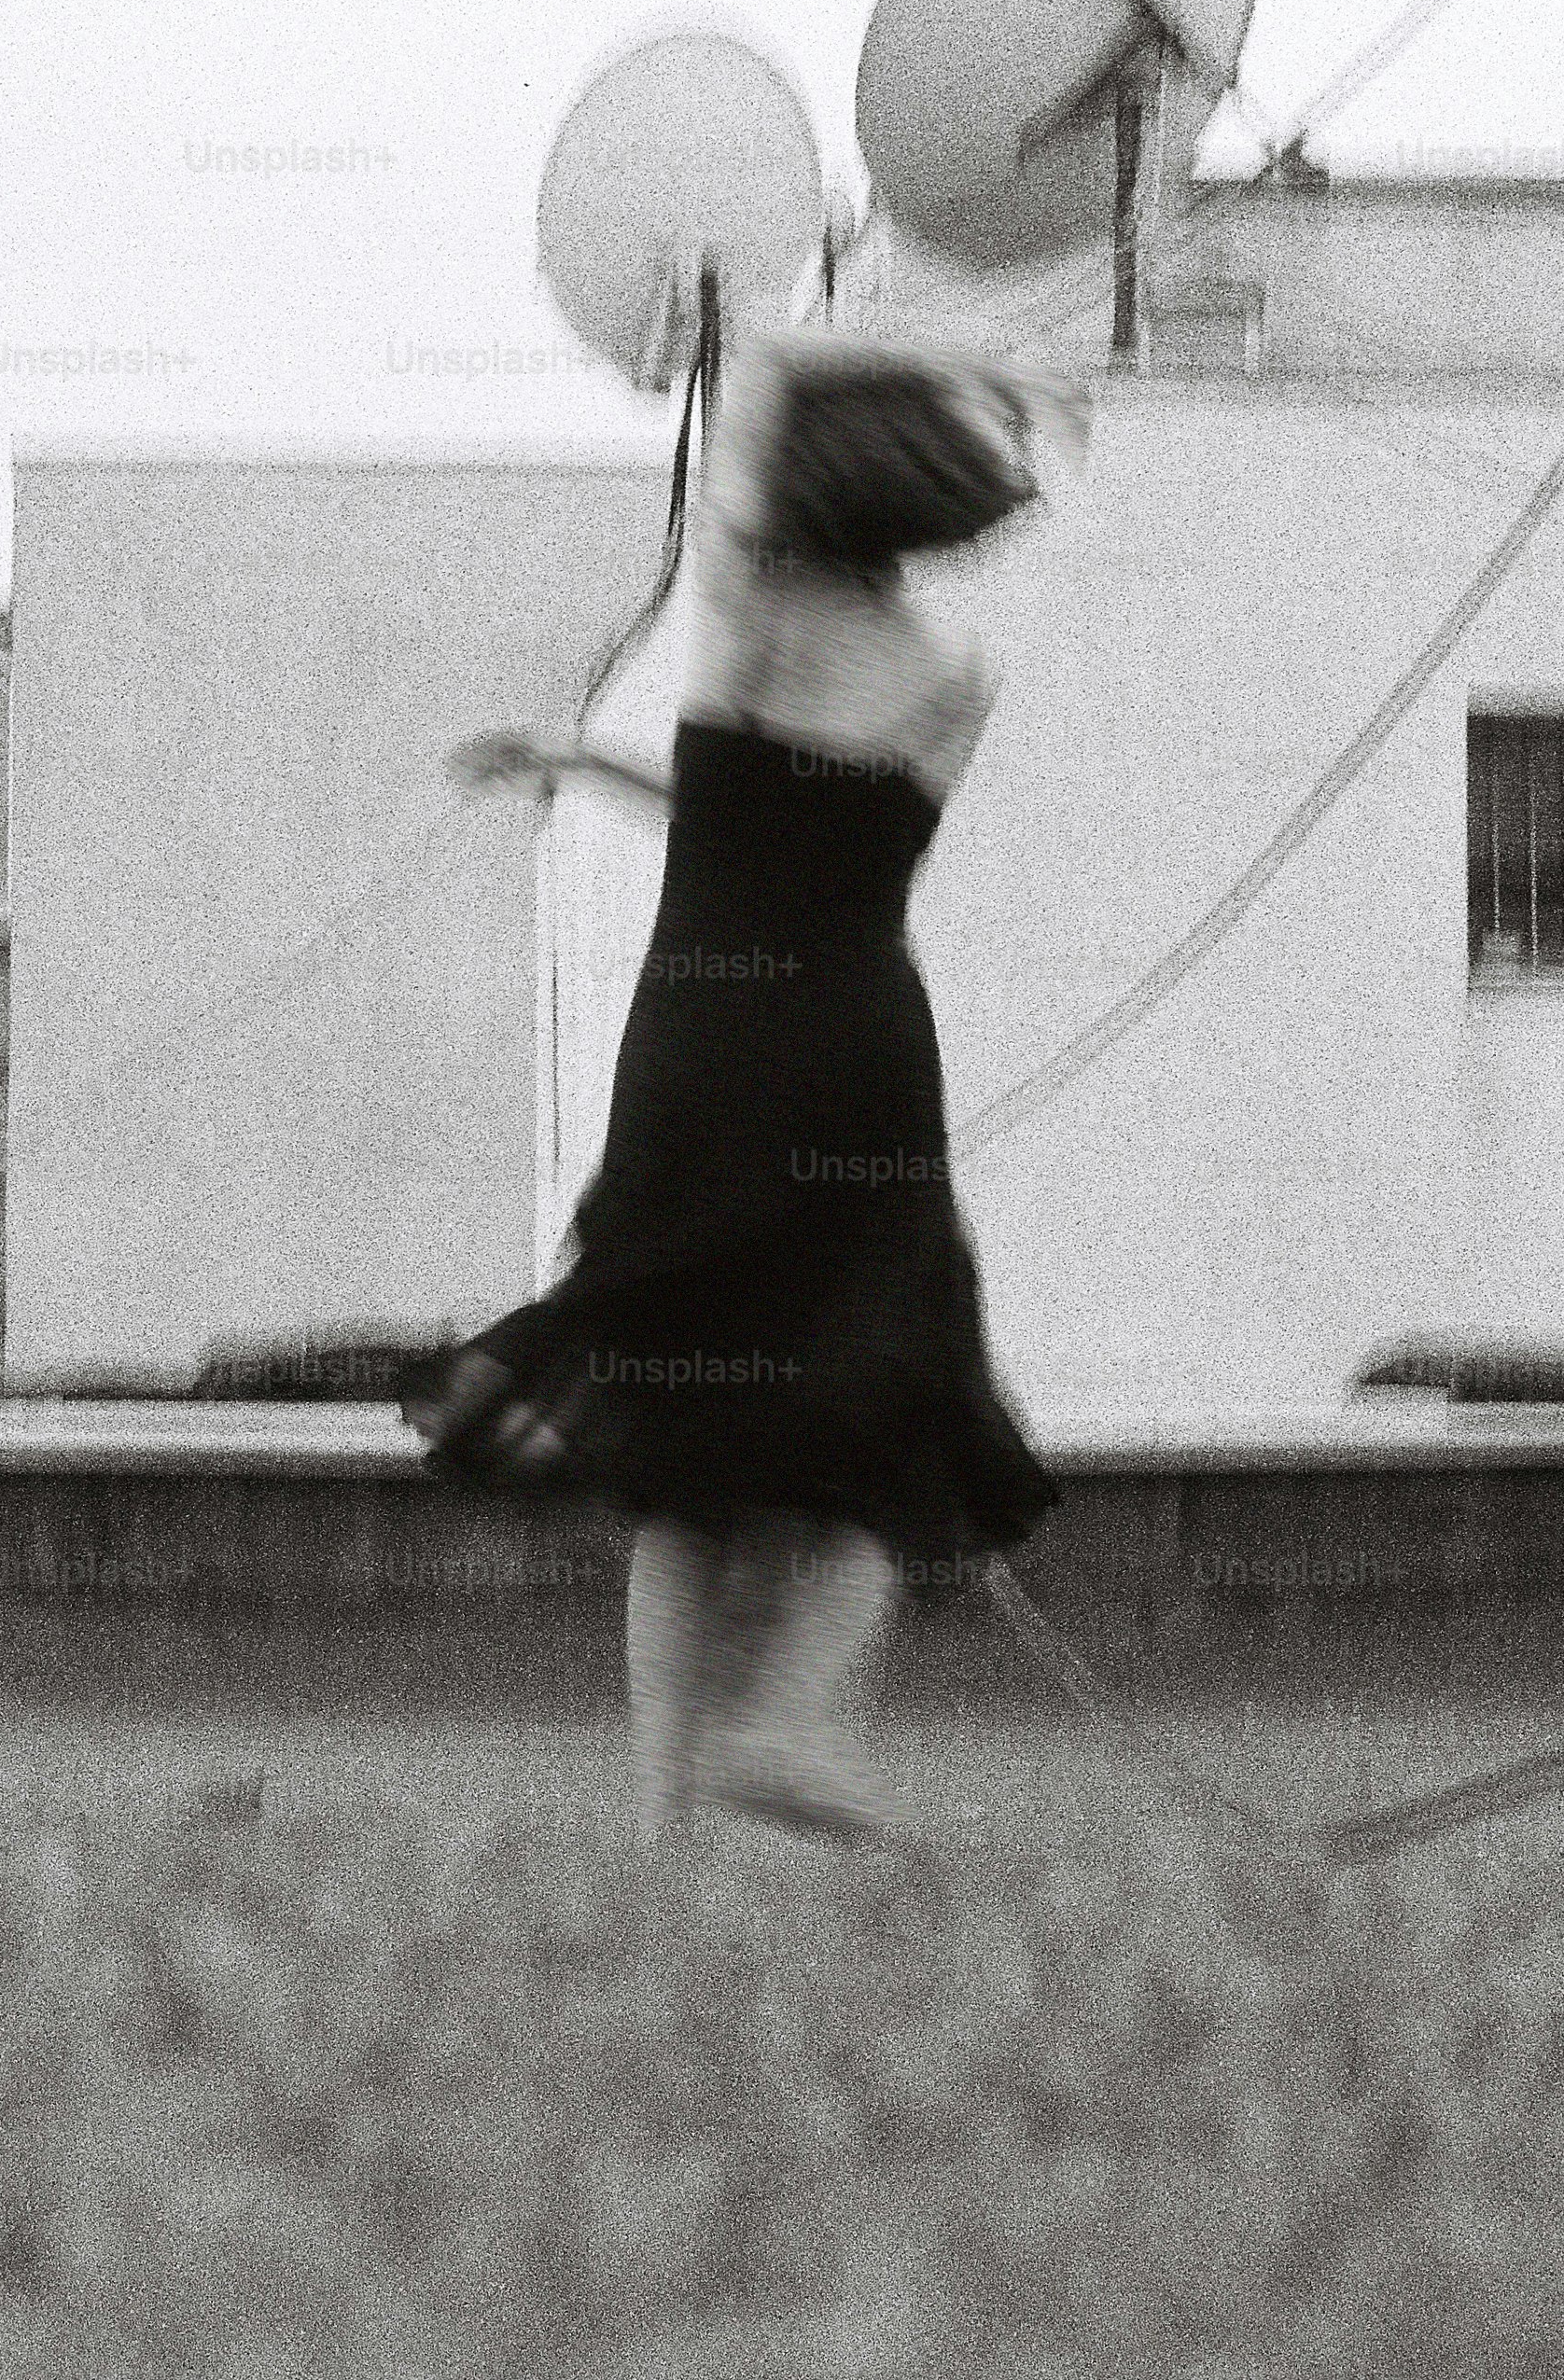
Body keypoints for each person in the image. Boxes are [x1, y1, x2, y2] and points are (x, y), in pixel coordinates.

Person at [415, 327, 1072, 1844]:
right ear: (926, 511)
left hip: (706, 1046)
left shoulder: (745, 609)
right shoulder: (957, 676)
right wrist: (997, 376)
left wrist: (580, 757)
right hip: (854, 1041)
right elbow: (822, 844)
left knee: (680, 1440)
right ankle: (789, 1723)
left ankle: (661, 1832)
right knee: (890, 1391)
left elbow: (734, 823)